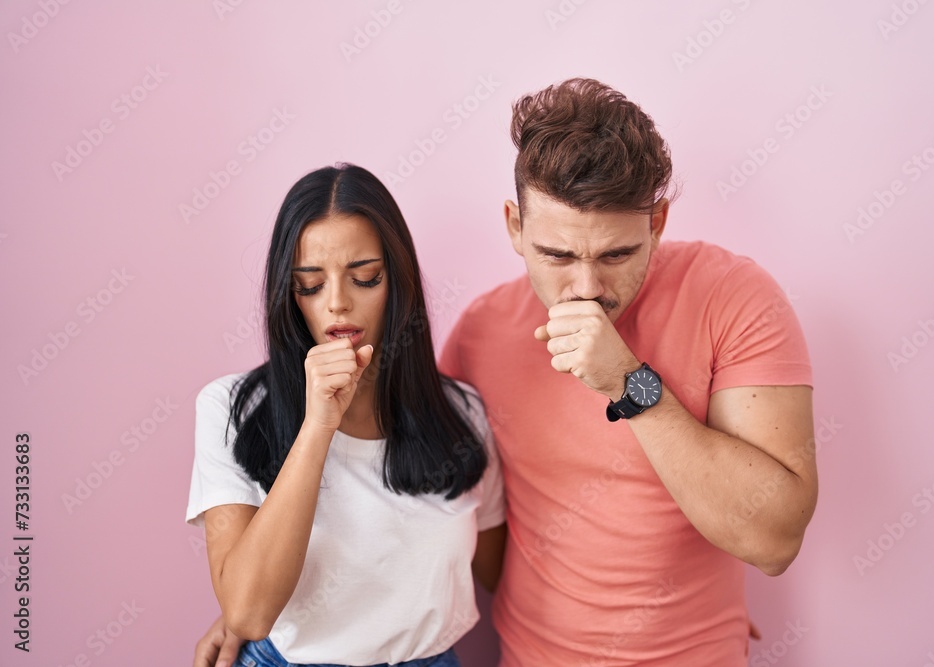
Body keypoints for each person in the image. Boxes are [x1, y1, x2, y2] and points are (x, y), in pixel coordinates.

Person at [196, 78, 817, 666]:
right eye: (557, 254)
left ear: (656, 223)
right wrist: (254, 604)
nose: (585, 288)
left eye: (617, 254)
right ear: (515, 228)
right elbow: (423, 506)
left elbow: (772, 540)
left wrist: (629, 383)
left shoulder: (733, 297)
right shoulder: (481, 336)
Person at [185, 164, 506, 667]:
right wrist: (318, 425)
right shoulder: (230, 408)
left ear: (396, 281)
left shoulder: (463, 416)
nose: (337, 303)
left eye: (365, 278)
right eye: (310, 286)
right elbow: (247, 614)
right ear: (287, 296)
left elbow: (500, 572)